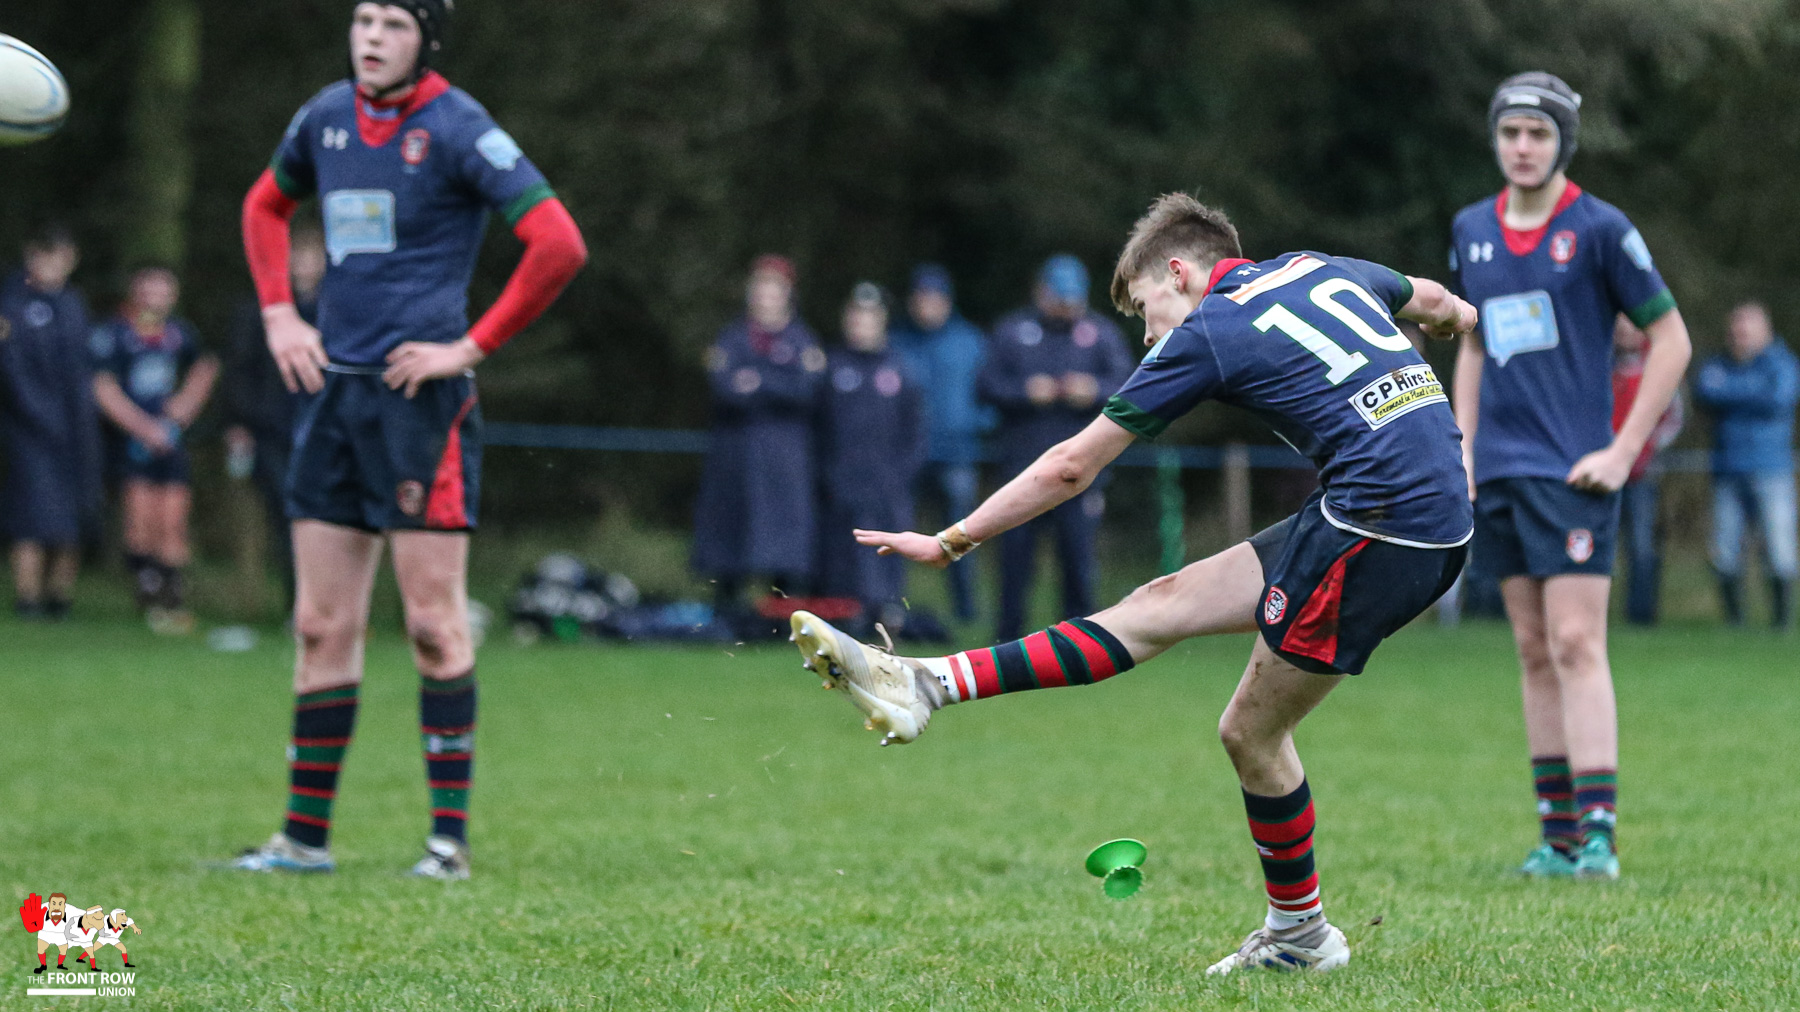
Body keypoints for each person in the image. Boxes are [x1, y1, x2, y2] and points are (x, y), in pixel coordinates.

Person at [789, 192, 1478, 974]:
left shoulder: (1214, 329)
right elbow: (1430, 298)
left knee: (1250, 732)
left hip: (1378, 527)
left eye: (1147, 308)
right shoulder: (1320, 266)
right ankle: (926, 682)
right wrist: (1458, 318)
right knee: (1159, 605)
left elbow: (1071, 465)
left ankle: (1301, 938)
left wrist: (951, 539)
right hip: (1412, 512)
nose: (1148, 334)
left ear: (1181, 272)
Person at [232, 0, 588, 880]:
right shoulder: (324, 118)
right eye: (362, 20)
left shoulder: (459, 126)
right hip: (332, 400)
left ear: (426, 37)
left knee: (432, 625)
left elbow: (557, 243)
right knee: (319, 624)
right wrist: (281, 313)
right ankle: (304, 842)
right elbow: (263, 205)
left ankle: (446, 846)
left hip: (419, 408)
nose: (370, 37)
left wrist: (470, 347)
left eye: (392, 23)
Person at [1450, 73, 1691, 880]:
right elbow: (1475, 344)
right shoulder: (1471, 229)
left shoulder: (1598, 228)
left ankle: (1598, 837)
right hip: (1505, 472)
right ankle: (1555, 837)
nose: (1522, 147)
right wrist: (1464, 449)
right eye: (1511, 132)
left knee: (1578, 642)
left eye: (1538, 134)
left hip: (1576, 472)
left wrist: (1623, 450)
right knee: (1530, 647)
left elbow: (1673, 341)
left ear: (1562, 143)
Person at [979, 254, 1134, 641]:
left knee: (1078, 562)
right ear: (1041, 292)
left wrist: (1093, 390)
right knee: (1015, 562)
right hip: (1022, 468)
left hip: (1080, 474)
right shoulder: (1013, 331)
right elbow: (984, 386)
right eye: (1059, 298)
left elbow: (1131, 387)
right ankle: (1007, 640)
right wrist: (1026, 392)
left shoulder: (1100, 334)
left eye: (1073, 299)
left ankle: (1078, 643)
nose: (1066, 307)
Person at [691, 255, 825, 608]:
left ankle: (782, 615)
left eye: (773, 288)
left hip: (783, 455)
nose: (765, 295)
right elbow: (724, 388)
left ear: (787, 294)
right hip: (735, 452)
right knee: (730, 533)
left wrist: (757, 382)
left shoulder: (801, 340)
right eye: (760, 287)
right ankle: (727, 611)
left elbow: (806, 390)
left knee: (784, 539)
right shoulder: (732, 338)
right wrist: (775, 386)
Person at [91, 266, 219, 632]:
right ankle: (146, 594)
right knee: (140, 519)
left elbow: (205, 367)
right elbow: (103, 386)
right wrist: (142, 427)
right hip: (131, 441)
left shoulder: (180, 333)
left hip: (170, 439)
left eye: (164, 290)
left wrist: (183, 409)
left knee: (173, 520)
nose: (156, 297)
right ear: (135, 292)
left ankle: (171, 596)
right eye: (149, 289)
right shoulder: (115, 333)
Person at [0, 223, 101, 620]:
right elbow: (11, 370)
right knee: (32, 512)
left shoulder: (74, 304)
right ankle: (27, 597)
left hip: (78, 427)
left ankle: (60, 597)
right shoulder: (11, 302)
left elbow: (83, 367)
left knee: (73, 511)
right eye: (45, 256)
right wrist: (38, 416)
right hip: (29, 427)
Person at [224, 225, 327, 613]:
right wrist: (244, 422)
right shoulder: (257, 312)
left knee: (325, 517)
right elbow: (239, 370)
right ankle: (297, 605)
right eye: (296, 255)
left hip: (325, 429)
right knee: (290, 517)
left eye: (311, 255)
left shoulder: (338, 310)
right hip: (272, 432)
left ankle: (327, 604)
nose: (303, 264)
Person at [818, 282, 923, 633]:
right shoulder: (831, 368)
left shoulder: (900, 370)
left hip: (887, 485)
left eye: (869, 315)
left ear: (882, 320)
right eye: (856, 315)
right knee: (843, 553)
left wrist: (900, 474)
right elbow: (817, 429)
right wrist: (826, 473)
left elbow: (916, 432)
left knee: (886, 552)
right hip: (841, 483)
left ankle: (888, 615)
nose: (862, 322)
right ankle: (844, 617)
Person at [891, 263, 990, 621]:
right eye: (921, 298)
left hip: (956, 454)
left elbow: (990, 397)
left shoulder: (971, 343)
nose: (927, 305)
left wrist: (971, 424)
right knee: (896, 532)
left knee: (962, 538)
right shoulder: (896, 344)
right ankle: (891, 607)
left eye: (934, 298)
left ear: (947, 301)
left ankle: (966, 613)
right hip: (905, 456)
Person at [1693, 300, 1798, 628]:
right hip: (1727, 468)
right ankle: (1734, 622)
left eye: (1747, 328)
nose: (1739, 335)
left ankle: (1780, 622)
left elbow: (1780, 398)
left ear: (1765, 330)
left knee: (1779, 546)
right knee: (1725, 547)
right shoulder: (1717, 365)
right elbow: (1705, 393)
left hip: (1771, 468)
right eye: (1736, 329)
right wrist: (1753, 393)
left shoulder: (1783, 364)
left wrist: (1732, 393)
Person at [1612, 315, 1683, 626]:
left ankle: (1641, 615)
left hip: (1643, 474)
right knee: (1591, 545)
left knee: (1642, 546)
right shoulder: (1598, 362)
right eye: (1620, 326)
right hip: (1600, 473)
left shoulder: (1657, 362)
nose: (1626, 332)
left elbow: (1674, 418)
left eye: (1631, 325)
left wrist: (1645, 449)